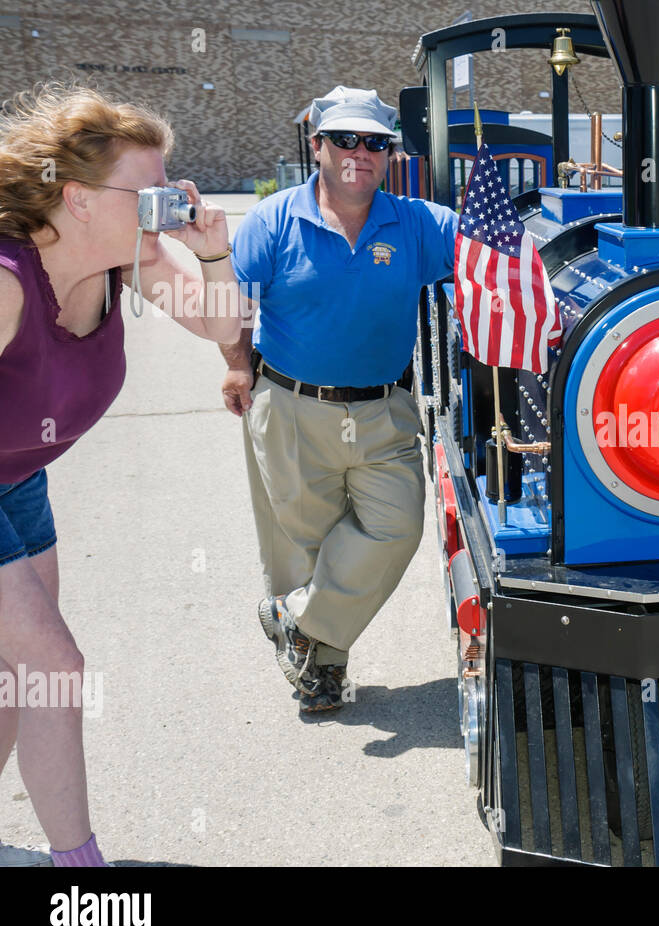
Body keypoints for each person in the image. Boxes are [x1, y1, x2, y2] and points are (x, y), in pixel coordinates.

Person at [0, 83, 242, 867]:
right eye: (148, 194)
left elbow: (220, 324)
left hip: (18, 481)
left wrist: (211, 250)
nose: (163, 209)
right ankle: (81, 875)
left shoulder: (128, 257)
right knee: (51, 665)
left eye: (168, 193)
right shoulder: (7, 282)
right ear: (76, 199)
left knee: (20, 676)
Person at [220, 87, 457, 713]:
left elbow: (495, 250)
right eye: (345, 139)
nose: (360, 153)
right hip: (294, 405)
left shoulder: (417, 224)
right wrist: (235, 367)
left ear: (389, 154)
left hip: (383, 410)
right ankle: (321, 670)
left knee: (395, 526)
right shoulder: (271, 221)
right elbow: (233, 302)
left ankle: (296, 621)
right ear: (318, 146)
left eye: (375, 142)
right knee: (309, 542)